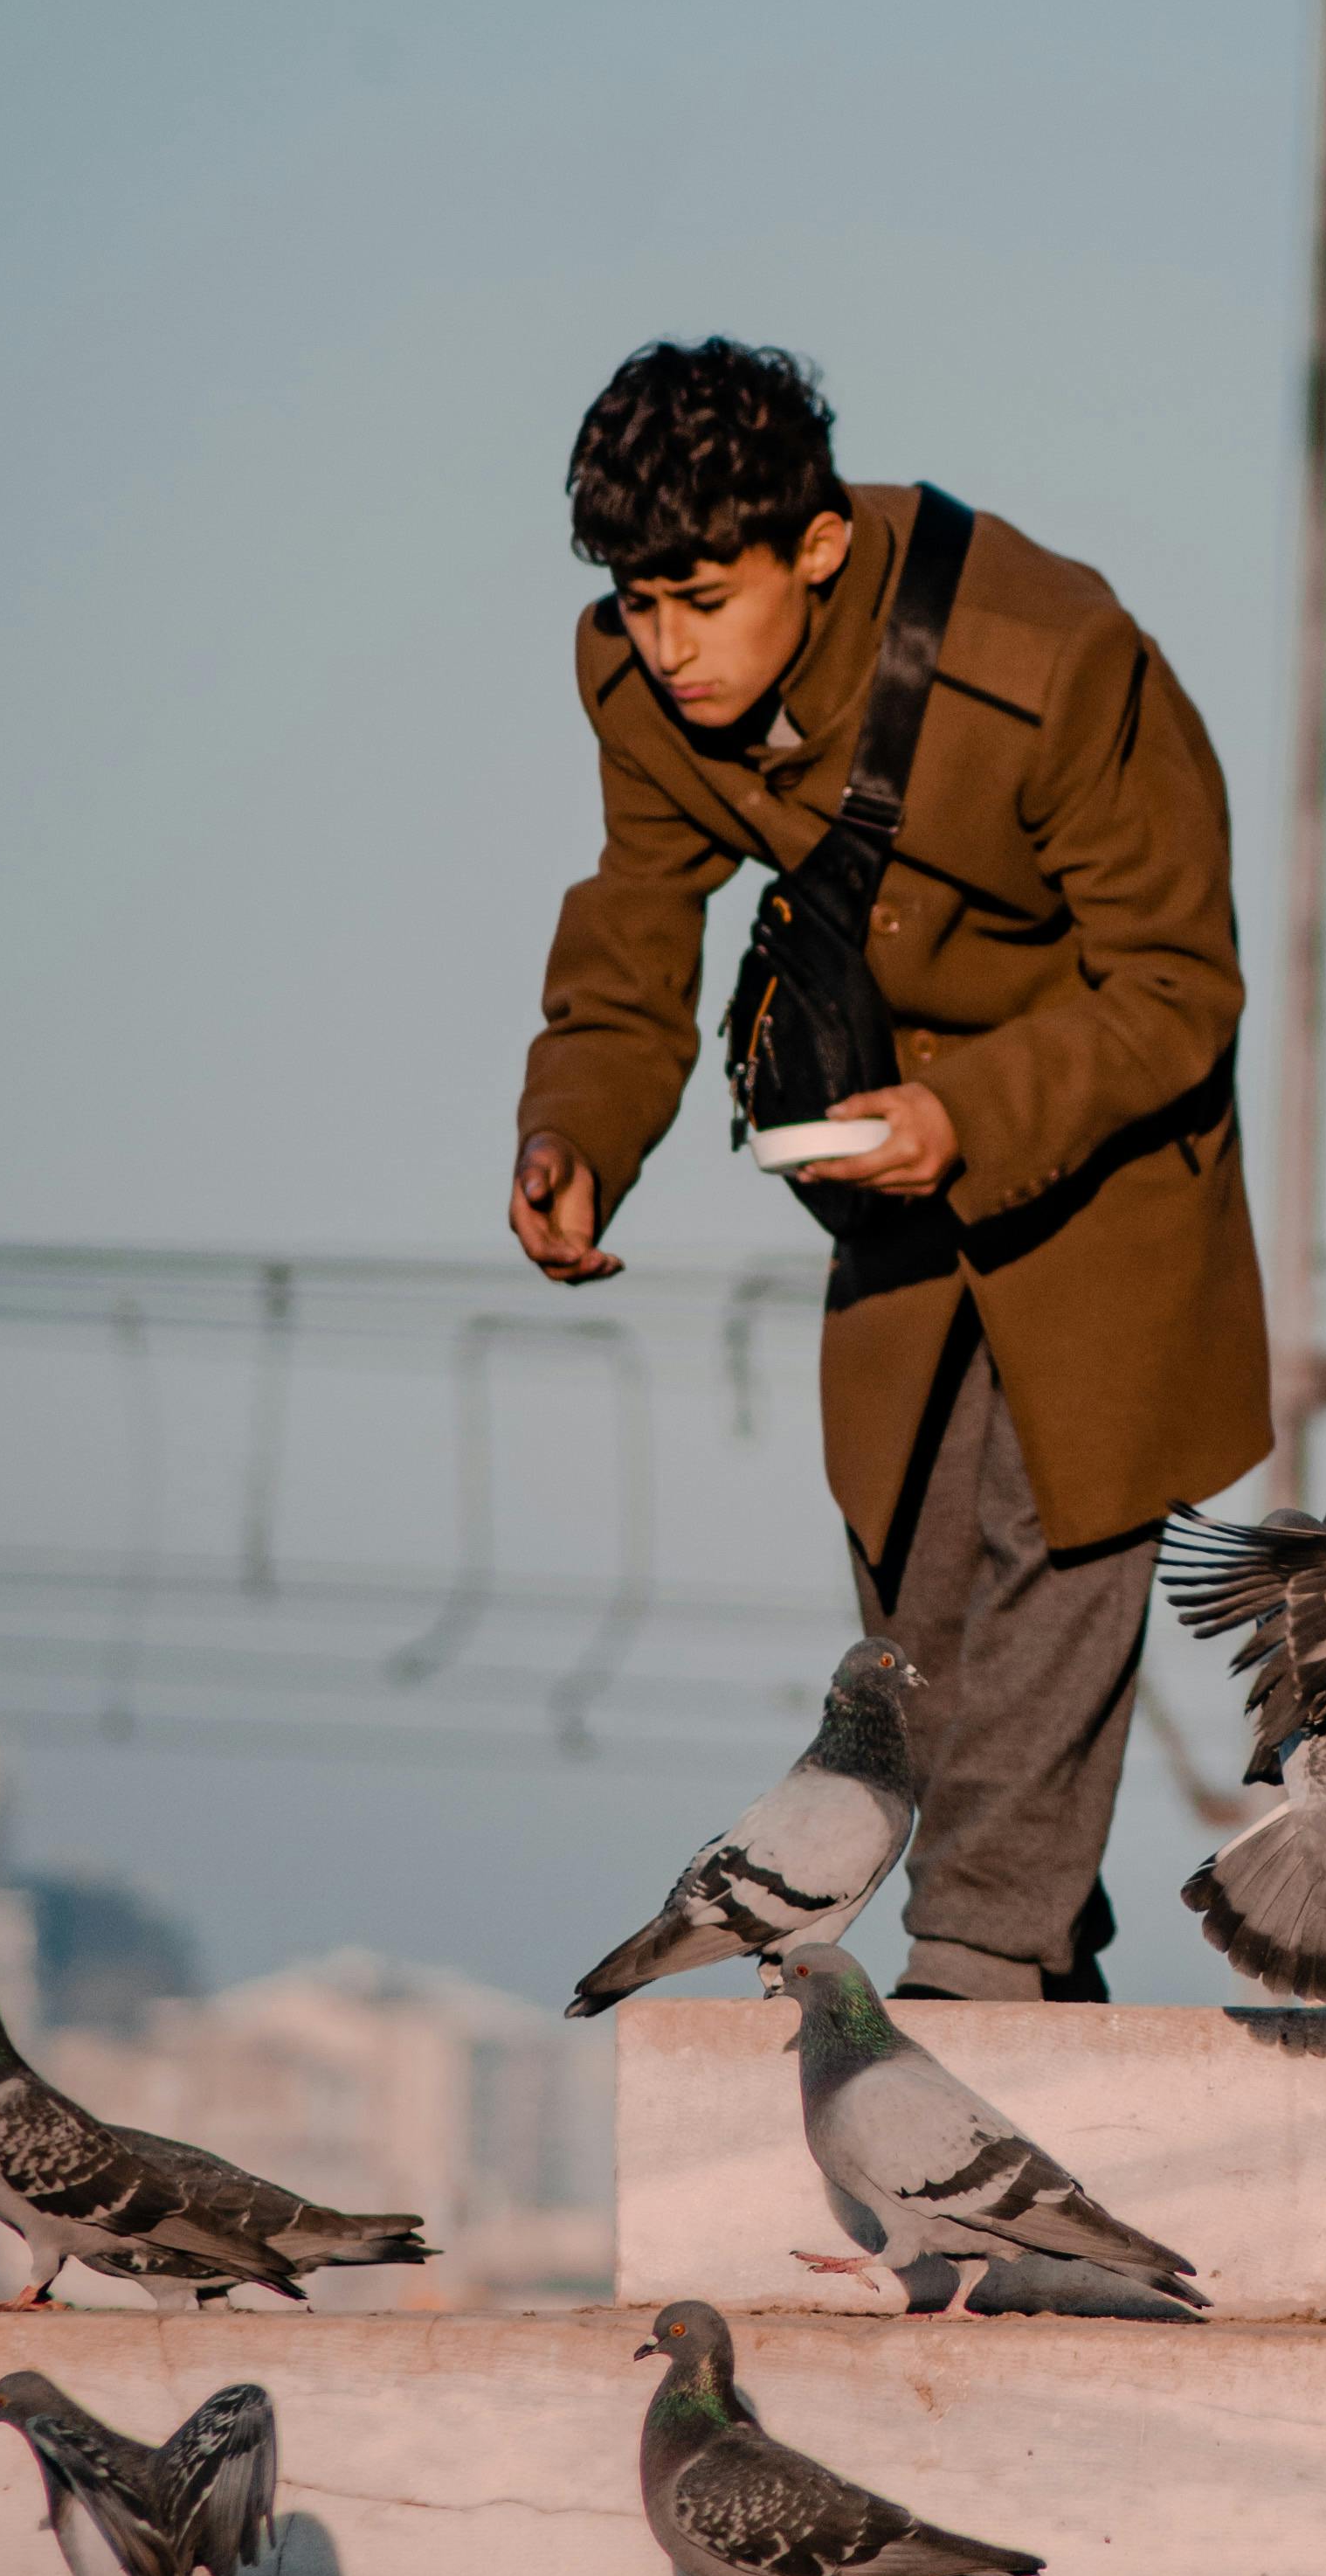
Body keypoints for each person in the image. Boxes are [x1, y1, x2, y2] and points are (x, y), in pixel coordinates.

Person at [509, 334, 1268, 2000]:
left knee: (1063, 1537)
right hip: (884, 1161)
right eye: (639, 602)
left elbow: (1179, 987)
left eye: (705, 597)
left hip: (1101, 1141)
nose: (669, 645)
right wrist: (576, 1132)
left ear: (822, 548)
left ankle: (984, 1955)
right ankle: (1037, 1963)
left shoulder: (1051, 662)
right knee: (910, 1605)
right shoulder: (639, 679)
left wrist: (974, 1117)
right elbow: (639, 924)